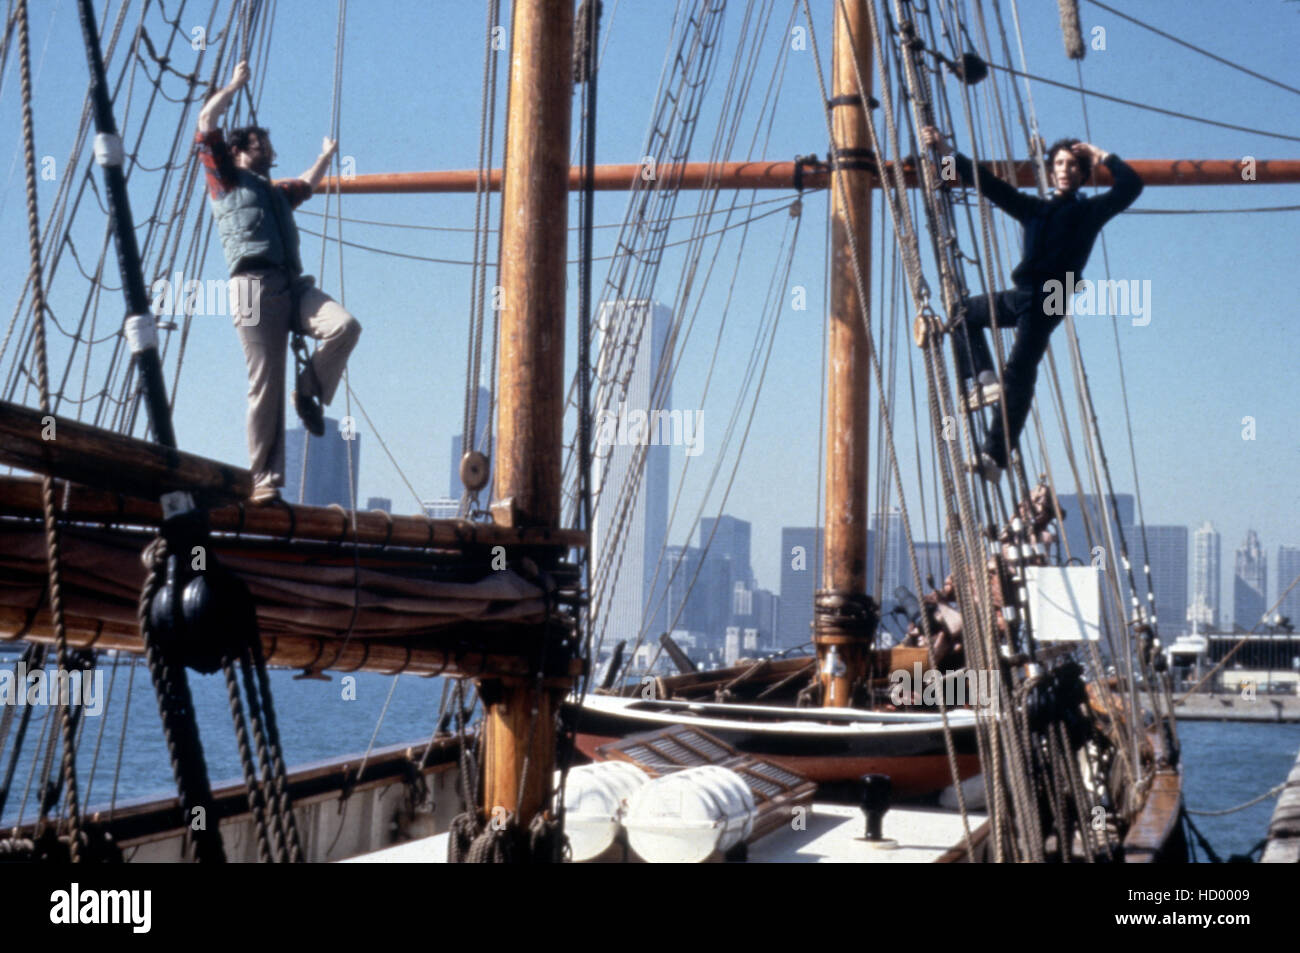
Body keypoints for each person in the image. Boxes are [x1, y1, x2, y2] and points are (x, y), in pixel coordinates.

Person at [920, 126, 1142, 482]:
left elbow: (1131, 186)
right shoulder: (1034, 210)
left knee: (1020, 372)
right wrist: (948, 151)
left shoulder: (1090, 212)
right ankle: (982, 378)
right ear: (1051, 171)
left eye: (1073, 165)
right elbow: (990, 185)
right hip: (1023, 295)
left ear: (1083, 174)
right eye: (1060, 163)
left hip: (1051, 297)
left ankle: (994, 453)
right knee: (963, 312)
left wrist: (1103, 157)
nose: (1066, 169)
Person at [196, 60, 361, 504]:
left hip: (293, 286)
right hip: (250, 287)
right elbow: (206, 121)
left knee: (345, 326)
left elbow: (307, 183)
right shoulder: (224, 179)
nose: (270, 150)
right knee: (265, 381)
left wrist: (326, 156)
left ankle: (309, 389)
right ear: (238, 151)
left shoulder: (276, 193)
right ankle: (264, 480)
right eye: (262, 145)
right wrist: (234, 85)